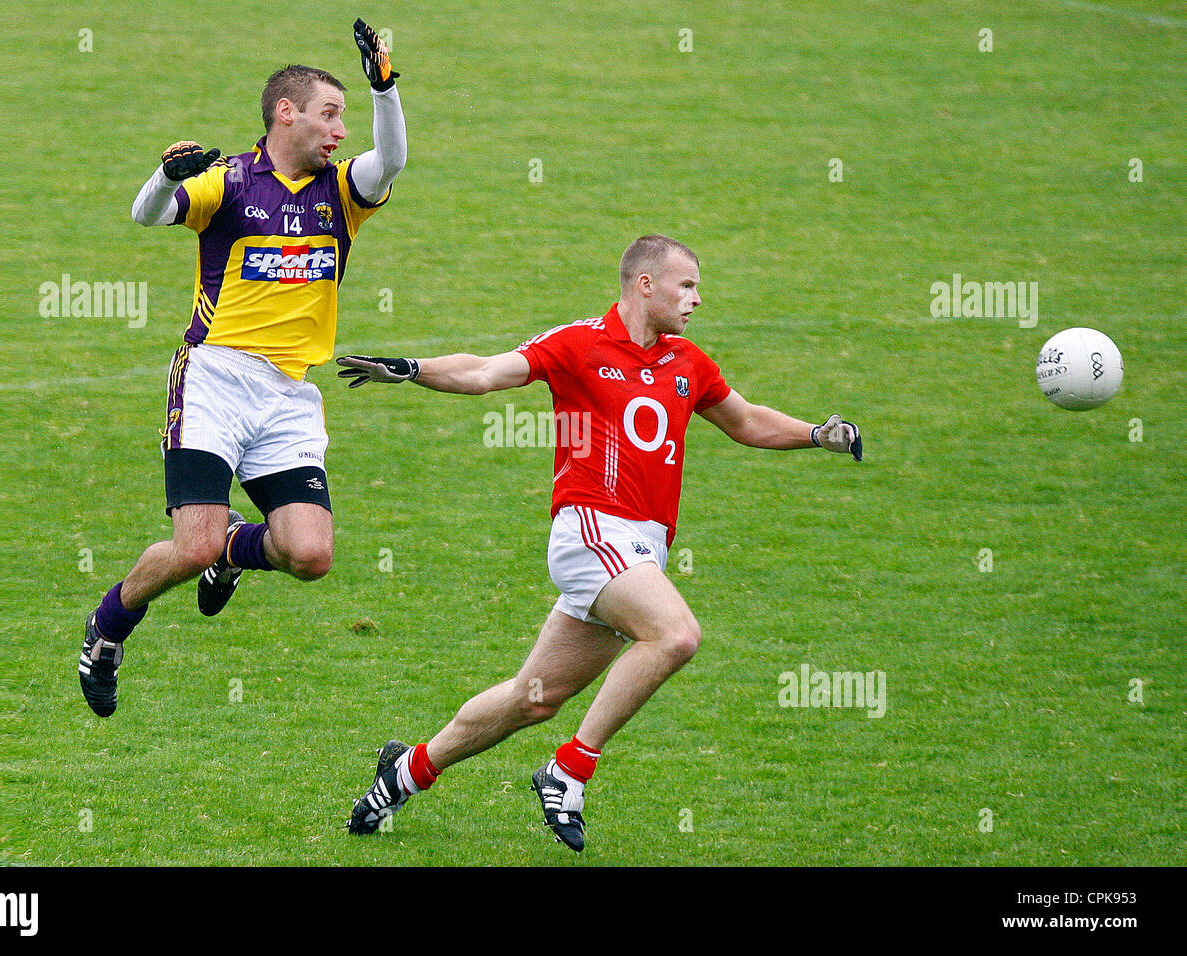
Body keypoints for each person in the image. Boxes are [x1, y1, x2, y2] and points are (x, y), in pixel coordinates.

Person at [334, 234, 863, 851]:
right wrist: (412, 369)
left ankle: (405, 772)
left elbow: (744, 421)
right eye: (686, 285)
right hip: (592, 530)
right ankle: (569, 770)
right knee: (675, 634)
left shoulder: (689, 363)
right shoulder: (579, 344)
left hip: (642, 548)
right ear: (645, 284)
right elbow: (483, 372)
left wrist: (815, 435)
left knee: (534, 697)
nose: (696, 300)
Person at [78, 20, 405, 718]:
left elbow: (394, 159)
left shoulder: (342, 191)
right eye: (330, 114)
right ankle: (108, 628)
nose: (340, 130)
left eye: (345, 117)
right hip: (215, 379)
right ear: (285, 113)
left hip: (289, 392)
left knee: (310, 554)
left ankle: (233, 552)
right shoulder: (228, 182)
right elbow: (146, 215)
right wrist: (166, 175)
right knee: (189, 546)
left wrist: (384, 88)